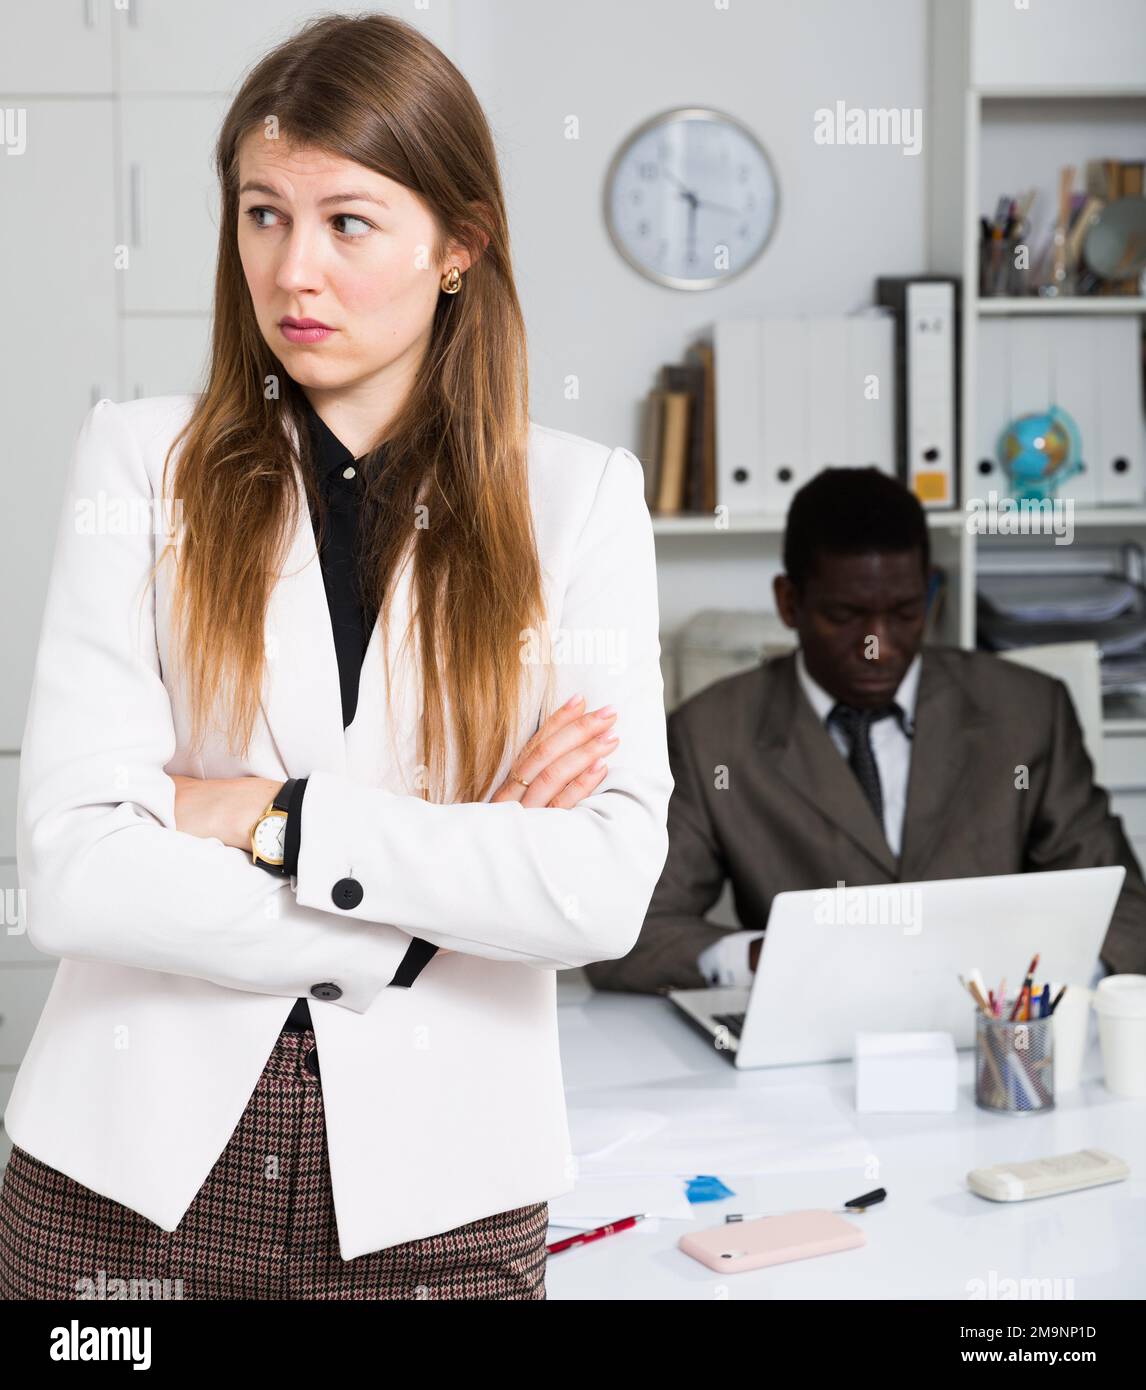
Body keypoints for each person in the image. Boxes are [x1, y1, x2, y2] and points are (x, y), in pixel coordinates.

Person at [0, 13, 671, 1300]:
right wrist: (424, 919)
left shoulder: (578, 499)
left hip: (445, 1203)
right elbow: (79, 871)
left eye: (347, 222)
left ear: (459, 245)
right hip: (124, 1187)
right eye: (263, 214)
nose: (291, 270)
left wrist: (264, 816)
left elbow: (594, 893)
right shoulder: (141, 464)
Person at [585, 466, 1146, 995]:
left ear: (930, 594)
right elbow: (623, 936)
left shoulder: (1028, 711)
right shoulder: (710, 736)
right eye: (846, 616)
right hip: (805, 1046)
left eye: (904, 612)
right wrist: (766, 959)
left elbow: (1127, 910)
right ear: (789, 602)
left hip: (998, 1033)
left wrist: (1047, 981)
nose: (878, 644)